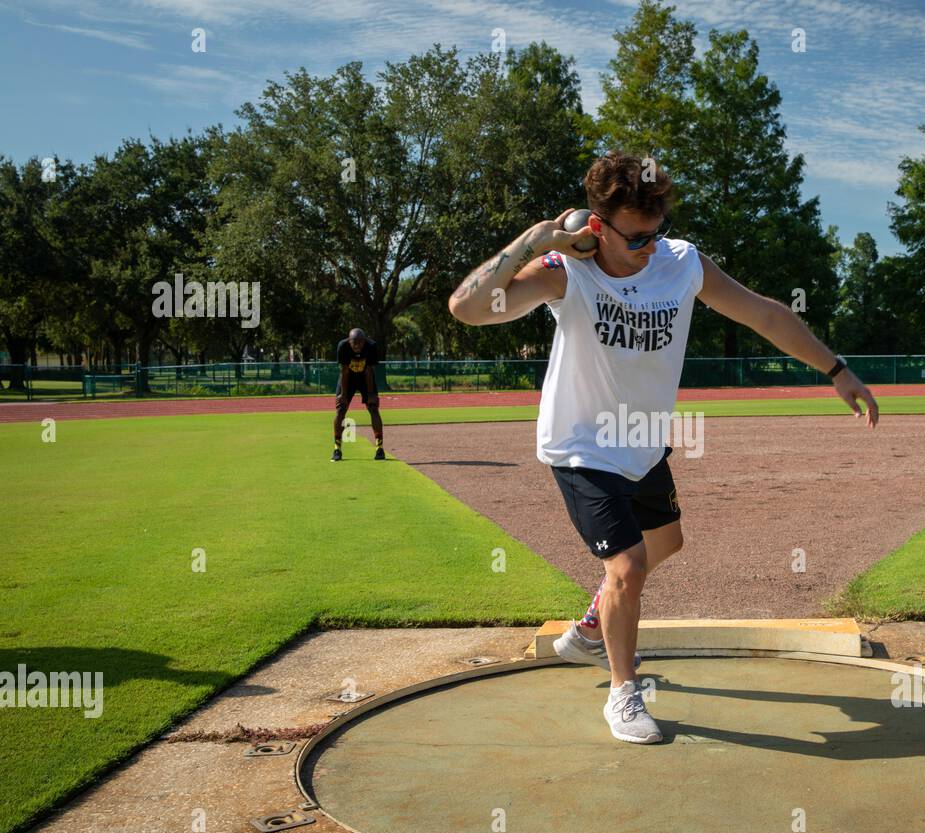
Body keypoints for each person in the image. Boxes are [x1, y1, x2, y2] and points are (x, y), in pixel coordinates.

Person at [448, 151, 878, 744]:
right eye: (638, 236)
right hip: (581, 445)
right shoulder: (563, 271)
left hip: (642, 444)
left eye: (659, 231)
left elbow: (764, 315)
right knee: (627, 566)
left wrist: (836, 370)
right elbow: (466, 308)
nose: (652, 245)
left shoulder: (682, 264)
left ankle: (593, 626)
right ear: (596, 226)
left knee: (665, 543)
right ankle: (625, 694)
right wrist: (532, 239)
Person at [332, 328, 384, 461]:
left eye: (360, 343)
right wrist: (343, 395)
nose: (357, 346)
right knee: (340, 410)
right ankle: (337, 449)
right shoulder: (342, 346)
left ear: (364, 341)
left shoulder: (371, 346)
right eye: (354, 343)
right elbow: (344, 371)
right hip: (348, 380)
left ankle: (379, 448)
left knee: (373, 408)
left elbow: (368, 371)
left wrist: (371, 394)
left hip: (365, 379)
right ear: (349, 341)